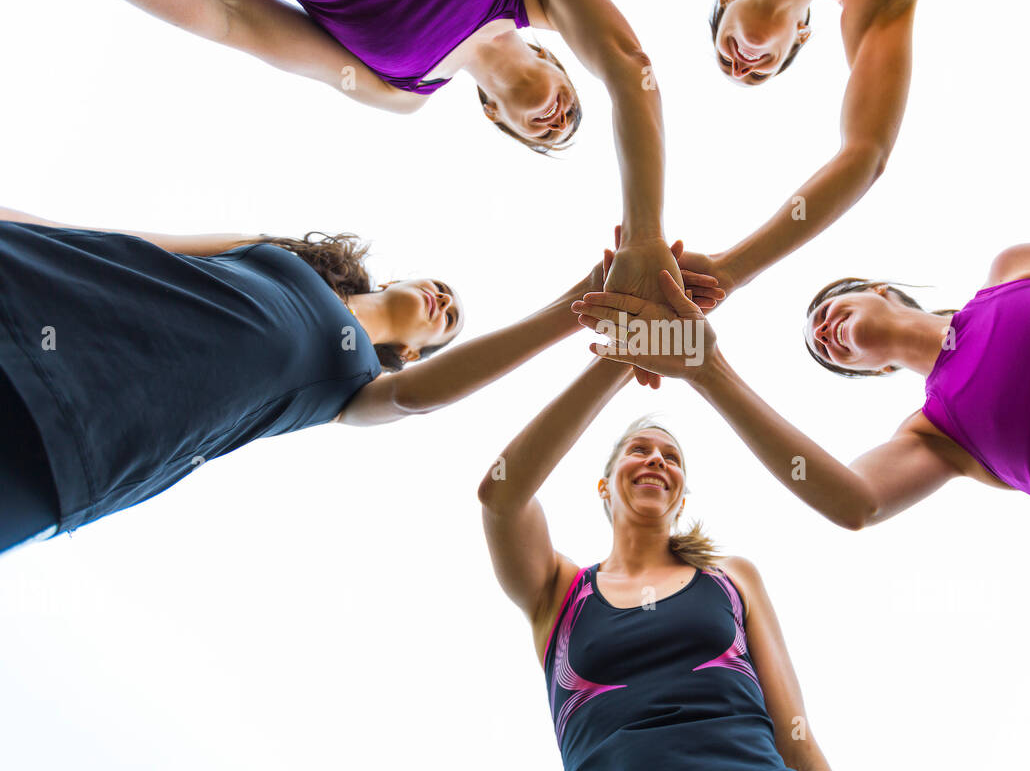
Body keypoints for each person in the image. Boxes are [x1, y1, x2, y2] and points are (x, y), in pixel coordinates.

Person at [572, 243, 1030, 694]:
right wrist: (708, 370)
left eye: (830, 306)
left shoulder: (1019, 271)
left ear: (882, 290)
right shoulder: (940, 434)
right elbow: (850, 501)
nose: (827, 330)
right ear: (864, 368)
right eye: (826, 350)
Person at [2, 0, 686, 304]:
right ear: (554, 56)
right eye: (573, 112)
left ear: (493, 116)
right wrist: (648, 238)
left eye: (547, 135)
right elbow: (629, 66)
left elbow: (229, 13)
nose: (558, 119)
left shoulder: (399, 89)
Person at [0, 203, 642, 552]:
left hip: (86, 439)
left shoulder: (356, 388)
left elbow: (420, 401)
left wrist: (576, 304)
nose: (444, 301)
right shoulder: (272, 252)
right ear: (397, 280)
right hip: (41, 294)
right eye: (442, 290)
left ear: (416, 353)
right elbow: (131, 240)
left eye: (449, 322)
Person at [477, 360, 830, 771]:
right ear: (604, 486)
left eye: (671, 457)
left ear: (681, 498)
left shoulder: (731, 577)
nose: (657, 460)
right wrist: (623, 359)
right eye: (639, 450)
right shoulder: (557, 590)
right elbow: (501, 495)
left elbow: (794, 731)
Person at [677, 0, 971, 300]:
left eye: (724, 58)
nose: (740, 66)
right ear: (801, 36)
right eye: (758, 73)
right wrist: (730, 271)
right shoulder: (875, 1)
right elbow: (865, 155)